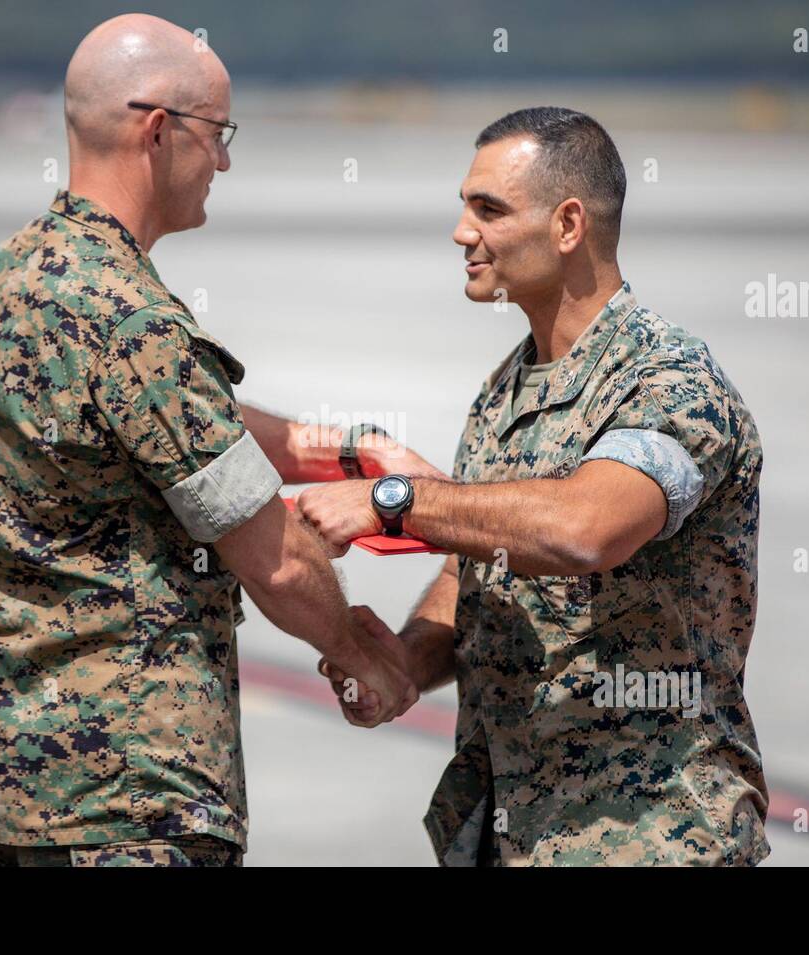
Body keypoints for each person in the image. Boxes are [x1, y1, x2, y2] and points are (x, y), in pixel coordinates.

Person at [0, 13, 431, 868]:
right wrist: (360, 654)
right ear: (158, 133)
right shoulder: (128, 320)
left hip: (13, 785)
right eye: (217, 135)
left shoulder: (4, 280)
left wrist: (342, 449)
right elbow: (270, 553)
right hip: (129, 800)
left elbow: (173, 425)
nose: (226, 161)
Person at [298, 107, 770, 866]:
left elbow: (585, 529)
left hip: (648, 835)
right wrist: (406, 664)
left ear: (568, 224)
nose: (461, 231)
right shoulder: (504, 391)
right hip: (512, 831)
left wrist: (394, 500)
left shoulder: (668, 380)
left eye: (488, 209)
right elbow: (476, 563)